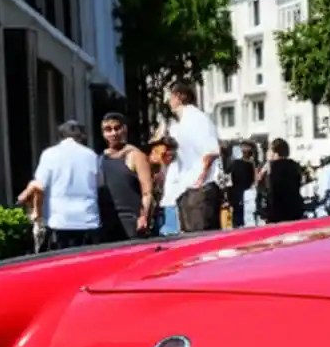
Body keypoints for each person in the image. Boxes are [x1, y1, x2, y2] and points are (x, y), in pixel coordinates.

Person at [21, 120, 100, 250]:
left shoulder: (50, 154)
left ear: (60, 136)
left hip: (59, 220)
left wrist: (36, 211)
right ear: (82, 137)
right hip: (88, 219)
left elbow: (38, 186)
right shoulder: (91, 155)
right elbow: (99, 184)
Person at [166, 81, 223, 232]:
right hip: (188, 188)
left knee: (201, 238)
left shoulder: (196, 118)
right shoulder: (183, 123)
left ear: (179, 96)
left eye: (170, 96)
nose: (168, 101)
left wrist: (201, 177)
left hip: (200, 189)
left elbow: (211, 151)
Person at [97, 113, 153, 241]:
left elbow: (147, 191)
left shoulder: (135, 155)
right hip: (106, 222)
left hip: (131, 221)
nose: (113, 133)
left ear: (124, 129)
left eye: (117, 128)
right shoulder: (100, 158)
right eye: (108, 130)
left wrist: (144, 217)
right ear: (103, 133)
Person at [258, 138, 305, 223]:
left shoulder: (271, 166)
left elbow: (266, 187)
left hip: (277, 211)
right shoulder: (295, 165)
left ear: (274, 152)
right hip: (294, 208)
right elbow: (300, 182)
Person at [226, 141, 257, 228]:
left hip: (243, 192)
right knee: (239, 215)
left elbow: (253, 178)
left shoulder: (248, 163)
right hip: (239, 192)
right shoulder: (237, 163)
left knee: (241, 215)